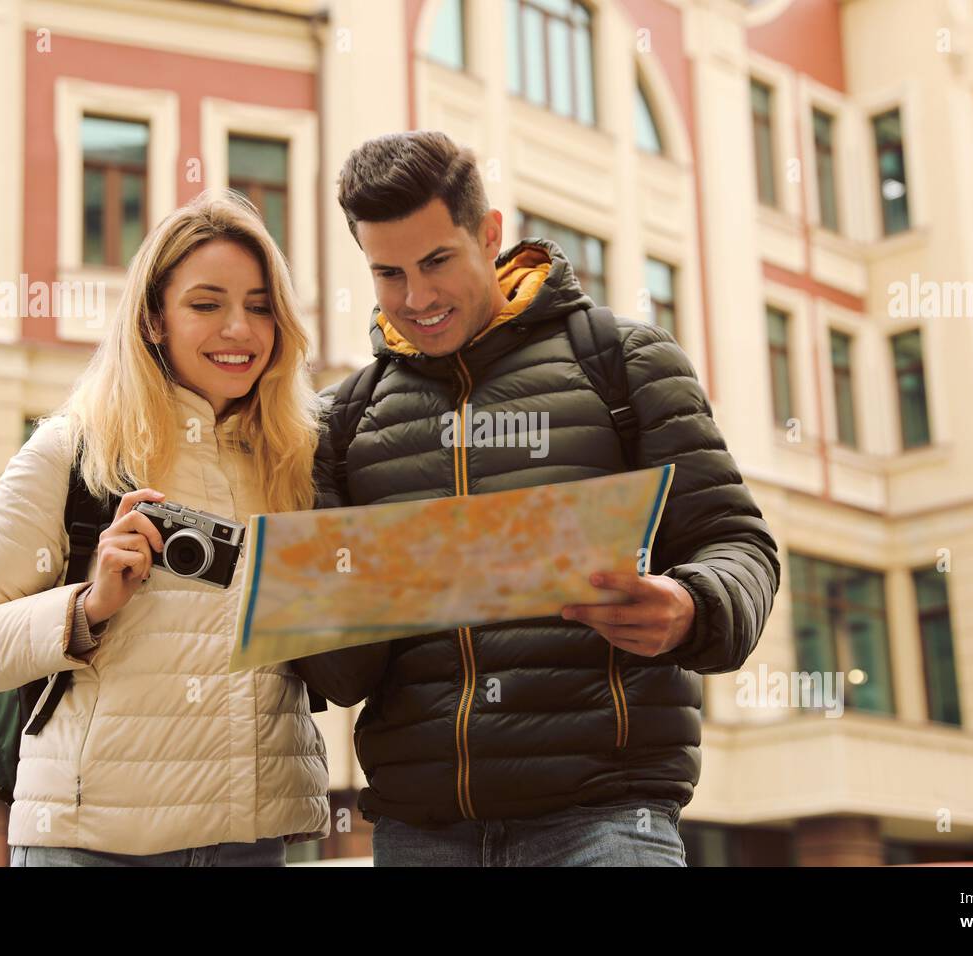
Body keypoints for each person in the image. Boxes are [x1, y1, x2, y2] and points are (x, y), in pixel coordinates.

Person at [295, 130, 780, 866]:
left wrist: (692, 605)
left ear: (488, 235)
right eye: (388, 273)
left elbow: (739, 543)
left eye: (437, 262)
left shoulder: (623, 364)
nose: (417, 298)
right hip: (420, 833)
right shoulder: (346, 422)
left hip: (607, 821)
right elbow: (344, 671)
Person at [0, 191, 329, 866]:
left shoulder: (295, 464)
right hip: (93, 850)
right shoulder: (75, 449)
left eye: (260, 306)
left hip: (246, 849)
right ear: (154, 320)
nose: (240, 329)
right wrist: (86, 606)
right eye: (206, 304)